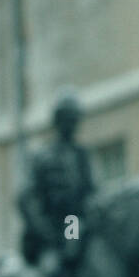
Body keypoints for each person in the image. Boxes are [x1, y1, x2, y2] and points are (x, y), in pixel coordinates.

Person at [18, 87, 94, 266]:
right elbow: (26, 199)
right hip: (48, 236)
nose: (72, 125)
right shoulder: (43, 157)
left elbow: (91, 193)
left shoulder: (82, 155)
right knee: (52, 273)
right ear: (58, 121)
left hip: (76, 230)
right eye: (67, 119)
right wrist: (47, 233)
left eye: (75, 120)